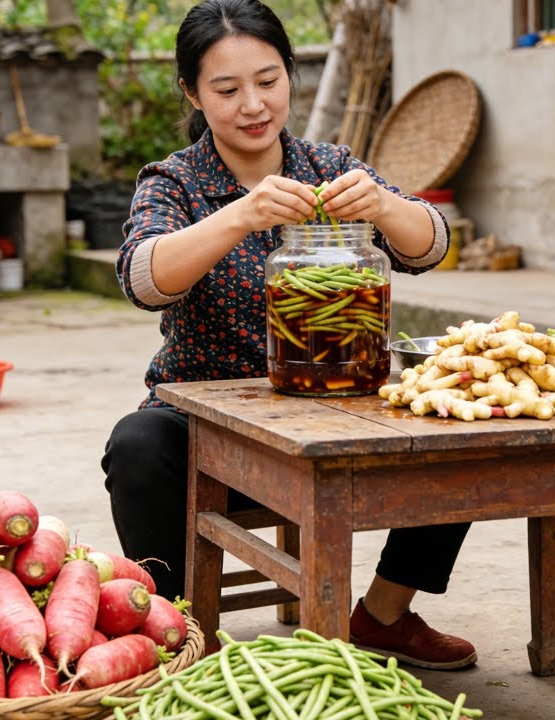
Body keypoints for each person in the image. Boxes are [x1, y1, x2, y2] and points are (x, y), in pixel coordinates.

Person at [100, 0, 475, 670]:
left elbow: (430, 246)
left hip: (338, 411)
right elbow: (141, 278)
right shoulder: (176, 182)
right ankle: (180, 635)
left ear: (290, 77)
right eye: (227, 88)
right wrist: (240, 216)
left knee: (457, 423)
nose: (253, 104)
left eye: (268, 80)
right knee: (136, 445)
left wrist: (386, 205)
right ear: (191, 91)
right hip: (215, 440)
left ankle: (383, 613)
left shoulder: (328, 164)